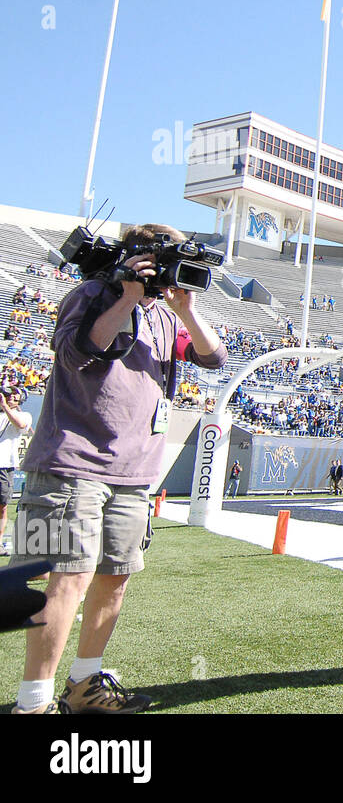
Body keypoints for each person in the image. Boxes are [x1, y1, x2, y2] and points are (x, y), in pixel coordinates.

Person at [12, 223, 227, 713]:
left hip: (133, 474)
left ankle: (85, 686)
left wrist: (187, 310)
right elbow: (73, 355)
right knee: (66, 578)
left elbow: (214, 358)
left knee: (115, 577)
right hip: (72, 464)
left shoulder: (167, 317)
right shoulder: (90, 293)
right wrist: (126, 298)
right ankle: (34, 702)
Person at [0, 385, 34, 557]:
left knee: (2, 507)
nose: (10, 397)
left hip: (4, 466)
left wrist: (6, 407)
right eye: (7, 394)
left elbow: (20, 424)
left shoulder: (23, 415)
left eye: (14, 395)